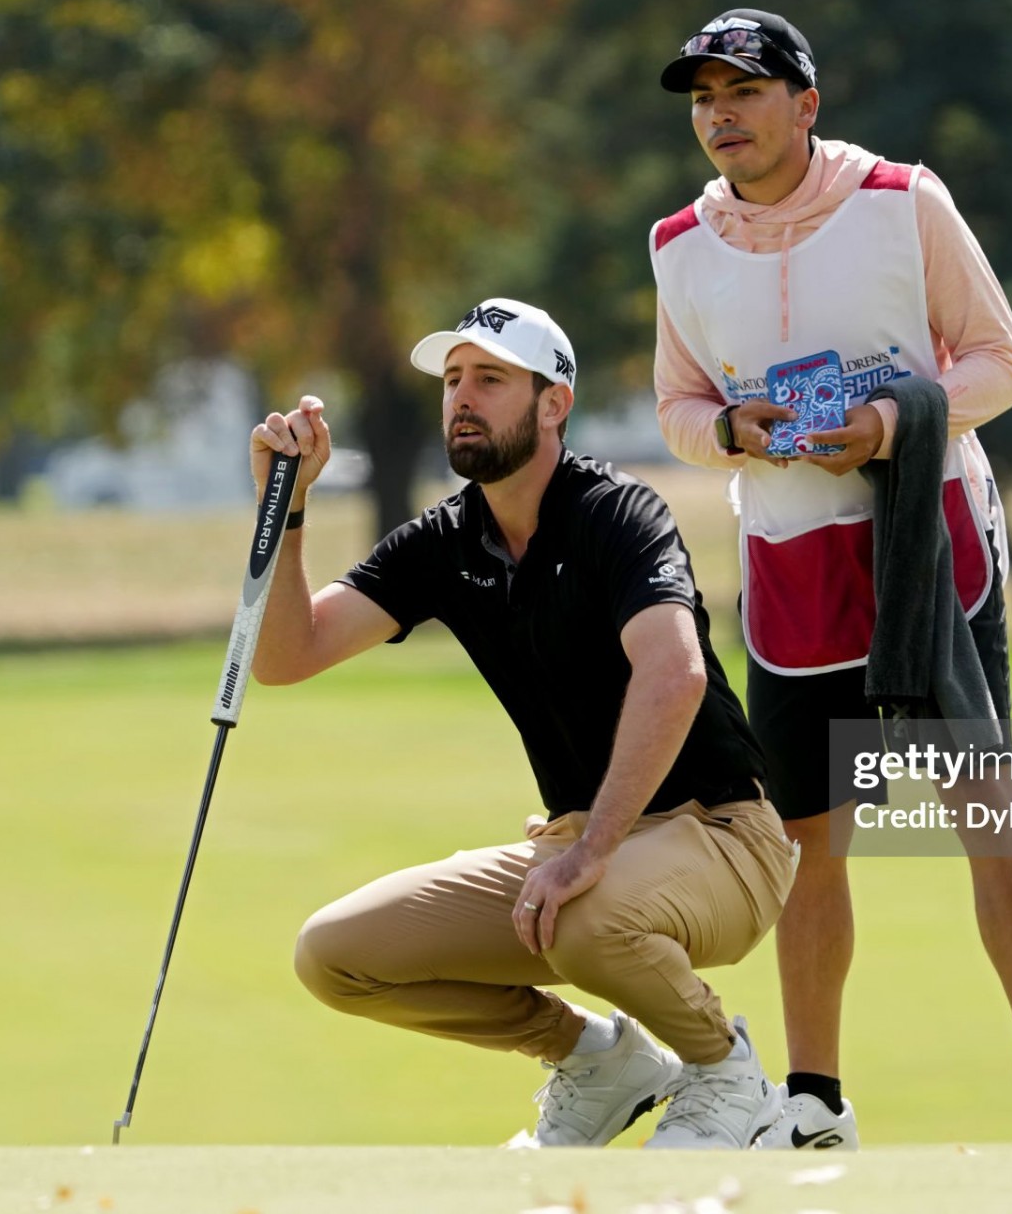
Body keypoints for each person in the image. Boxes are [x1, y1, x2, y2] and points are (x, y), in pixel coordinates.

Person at [648, 10, 1012, 1152]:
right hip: (794, 573)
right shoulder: (677, 244)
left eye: (745, 90)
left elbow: (1000, 361)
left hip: (931, 547)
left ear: (806, 105)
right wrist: (741, 431)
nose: (721, 113)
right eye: (705, 95)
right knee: (810, 836)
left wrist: (888, 425)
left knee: (985, 811)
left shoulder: (902, 200)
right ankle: (816, 1093)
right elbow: (679, 408)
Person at [251, 297, 796, 1150]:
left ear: (554, 404)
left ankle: (726, 1073)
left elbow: (676, 674)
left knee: (585, 922)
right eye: (454, 380)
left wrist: (589, 852)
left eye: (491, 380)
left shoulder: (619, 514)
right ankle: (597, 1058)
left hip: (723, 836)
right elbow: (284, 655)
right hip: (583, 849)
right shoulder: (444, 541)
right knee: (334, 955)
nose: (461, 398)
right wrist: (285, 509)